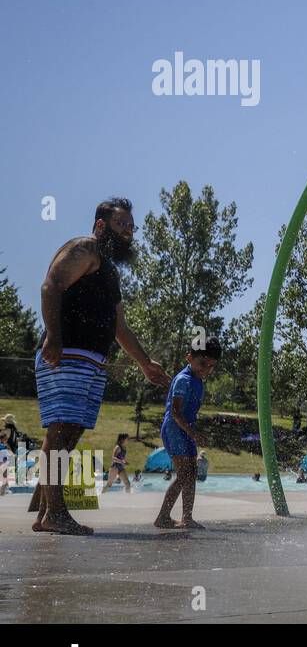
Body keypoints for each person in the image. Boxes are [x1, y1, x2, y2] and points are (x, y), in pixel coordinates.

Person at [31, 198, 170, 535]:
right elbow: (51, 285)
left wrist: (145, 363)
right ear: (101, 224)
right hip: (66, 353)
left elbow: (120, 327)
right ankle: (55, 515)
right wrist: (53, 336)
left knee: (72, 431)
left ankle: (48, 513)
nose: (129, 232)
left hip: (91, 360)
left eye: (132, 228)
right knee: (61, 430)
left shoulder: (109, 271)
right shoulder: (85, 249)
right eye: (122, 224)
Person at [154, 340, 221, 529]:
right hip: (175, 429)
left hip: (186, 429)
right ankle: (163, 517)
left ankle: (187, 517)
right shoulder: (183, 379)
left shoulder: (198, 380)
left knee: (191, 473)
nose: (206, 370)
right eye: (202, 364)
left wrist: (193, 432)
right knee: (184, 474)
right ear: (189, 358)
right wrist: (193, 433)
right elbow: (175, 412)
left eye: (211, 367)